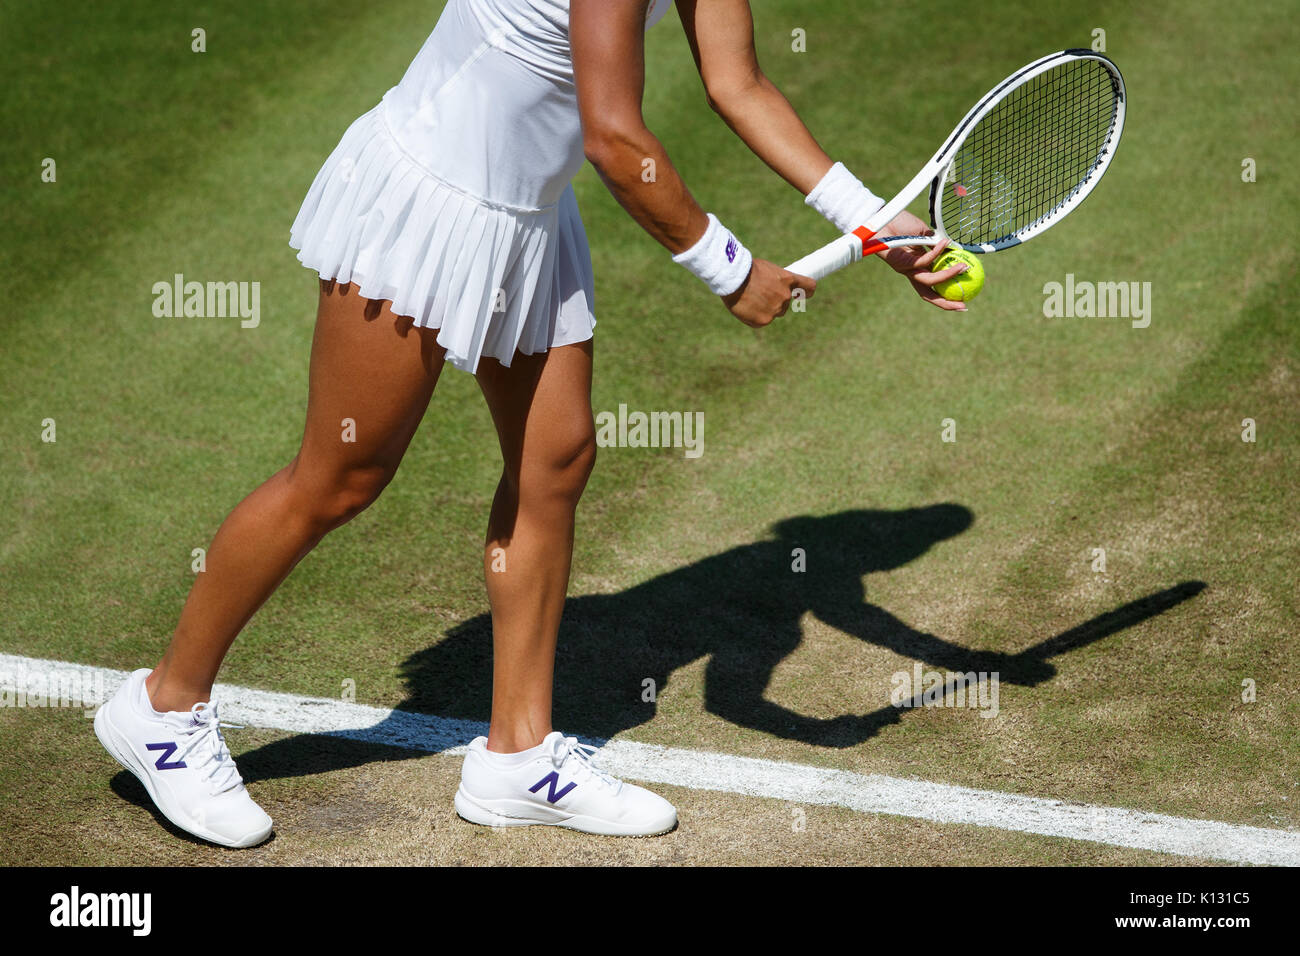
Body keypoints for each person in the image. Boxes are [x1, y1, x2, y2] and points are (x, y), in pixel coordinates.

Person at [93, 0, 968, 847]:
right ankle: (164, 708)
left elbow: (740, 85)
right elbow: (616, 140)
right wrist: (728, 268)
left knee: (556, 458)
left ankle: (516, 756)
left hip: (529, 221)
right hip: (429, 197)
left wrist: (887, 230)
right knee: (341, 477)